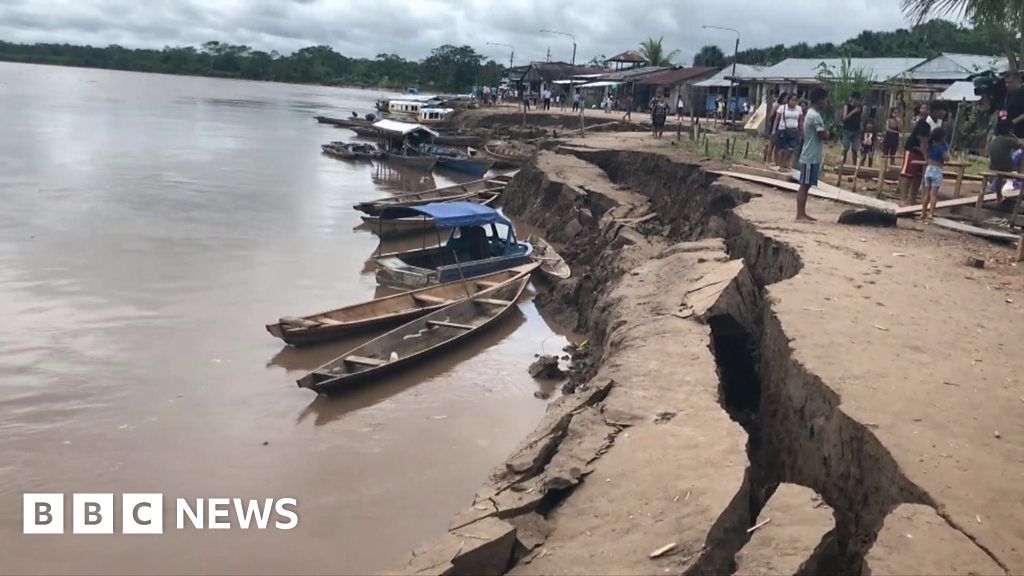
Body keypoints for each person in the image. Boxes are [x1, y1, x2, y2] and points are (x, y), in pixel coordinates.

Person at [899, 101, 947, 207]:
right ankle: (903, 199)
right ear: (935, 111)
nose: (944, 112)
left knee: (918, 176)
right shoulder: (924, 123)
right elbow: (923, 143)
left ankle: (912, 200)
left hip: (926, 152)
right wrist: (927, 158)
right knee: (908, 174)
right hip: (913, 149)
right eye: (942, 110)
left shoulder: (939, 123)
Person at [795, 88, 831, 221]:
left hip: (811, 154)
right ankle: (800, 214)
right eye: (825, 100)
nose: (827, 103)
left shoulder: (812, 114)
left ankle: (802, 213)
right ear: (820, 100)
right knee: (805, 185)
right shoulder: (815, 116)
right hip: (810, 156)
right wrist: (828, 133)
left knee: (807, 184)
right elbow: (823, 135)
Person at [987, 118, 1021, 202]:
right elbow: (1020, 145)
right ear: (1010, 130)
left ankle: (996, 191)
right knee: (1021, 153)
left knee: (1000, 176)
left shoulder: (996, 139)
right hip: (1005, 167)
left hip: (993, 166)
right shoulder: (1008, 140)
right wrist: (1013, 136)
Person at [921, 126, 950, 221]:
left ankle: (923, 212)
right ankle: (931, 213)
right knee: (933, 194)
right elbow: (946, 158)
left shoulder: (931, 145)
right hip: (937, 170)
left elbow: (928, 158)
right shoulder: (942, 146)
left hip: (928, 169)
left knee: (926, 193)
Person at [773, 94, 803, 171]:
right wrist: (774, 129)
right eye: (792, 100)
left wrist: (801, 131)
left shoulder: (799, 109)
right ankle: (781, 165)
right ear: (788, 101)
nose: (794, 102)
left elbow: (800, 121)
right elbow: (777, 119)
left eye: (795, 100)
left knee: (791, 148)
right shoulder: (782, 108)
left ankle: (786, 163)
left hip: (794, 130)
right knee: (782, 148)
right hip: (783, 129)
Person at [765, 92, 788, 167]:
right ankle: (768, 160)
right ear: (782, 98)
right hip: (774, 127)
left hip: (781, 128)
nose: (786, 100)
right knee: (772, 144)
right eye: (786, 98)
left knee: (778, 146)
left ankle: (776, 161)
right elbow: (771, 116)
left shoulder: (786, 107)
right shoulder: (777, 106)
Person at [841, 92, 864, 166]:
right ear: (852, 99)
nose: (857, 101)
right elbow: (844, 118)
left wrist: (861, 129)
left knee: (855, 150)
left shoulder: (860, 108)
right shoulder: (847, 106)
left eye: (858, 100)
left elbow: (860, 119)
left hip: (856, 131)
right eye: (856, 99)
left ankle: (854, 166)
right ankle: (842, 164)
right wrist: (853, 112)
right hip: (847, 130)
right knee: (845, 148)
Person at [1004, 71, 1024, 138]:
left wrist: (1014, 121)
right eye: (1006, 82)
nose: (1007, 85)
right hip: (1010, 134)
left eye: (1009, 82)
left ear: (1017, 81)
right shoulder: (1008, 95)